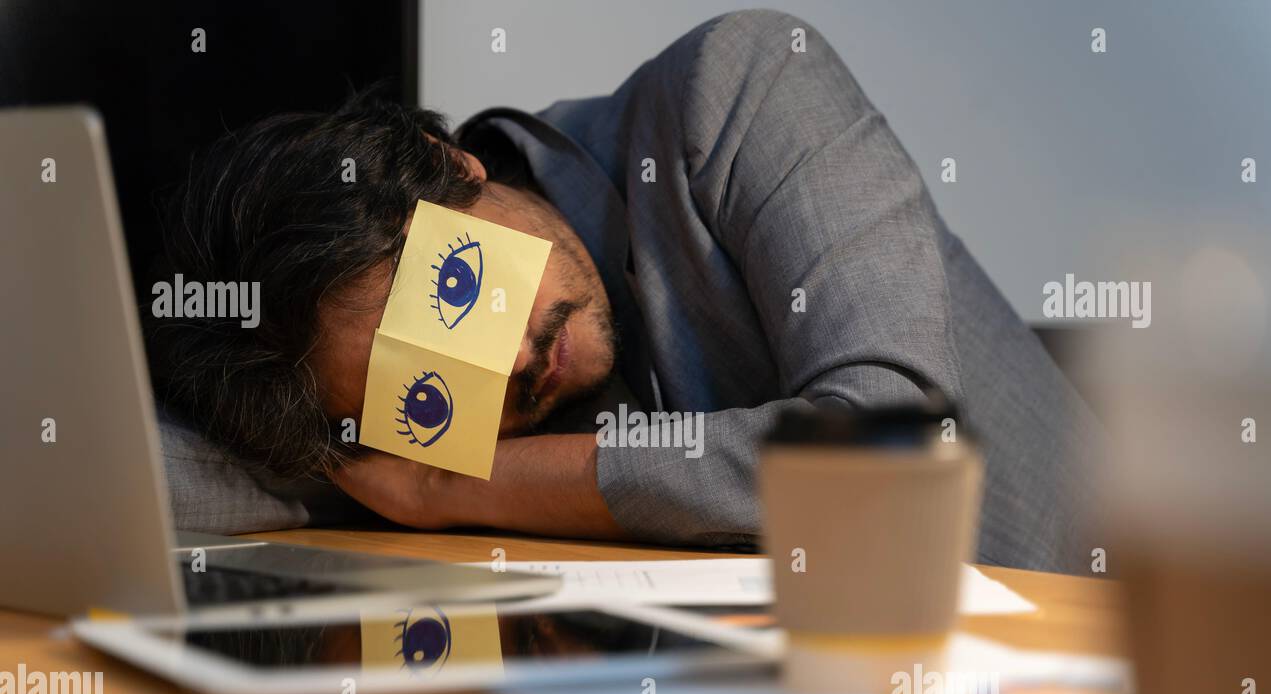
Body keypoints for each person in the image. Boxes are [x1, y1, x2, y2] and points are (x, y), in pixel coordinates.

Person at [147, 10, 1102, 573]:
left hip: (1095, 668)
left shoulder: (744, 87)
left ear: (451, 166)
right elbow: (150, 473)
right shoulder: (360, 399)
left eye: (459, 292)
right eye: (431, 393)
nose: (506, 366)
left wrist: (456, 479)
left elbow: (890, 457)